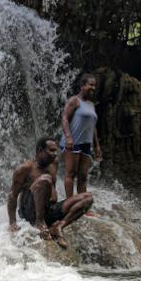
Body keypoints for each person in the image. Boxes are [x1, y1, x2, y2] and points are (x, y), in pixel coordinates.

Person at [7, 136, 93, 248]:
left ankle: (58, 227)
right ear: (40, 151)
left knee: (87, 198)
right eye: (51, 150)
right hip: (29, 212)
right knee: (45, 179)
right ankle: (40, 223)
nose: (55, 153)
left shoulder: (54, 164)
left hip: (49, 209)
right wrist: (12, 223)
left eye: (56, 150)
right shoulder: (25, 168)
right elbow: (12, 195)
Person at [60, 73, 102, 201]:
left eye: (94, 86)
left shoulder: (91, 104)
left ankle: (82, 204)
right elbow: (64, 118)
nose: (93, 88)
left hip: (86, 143)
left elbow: (93, 125)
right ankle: (69, 203)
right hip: (73, 142)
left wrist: (97, 145)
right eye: (91, 85)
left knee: (83, 176)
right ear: (82, 86)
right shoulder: (74, 100)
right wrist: (68, 137)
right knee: (71, 173)